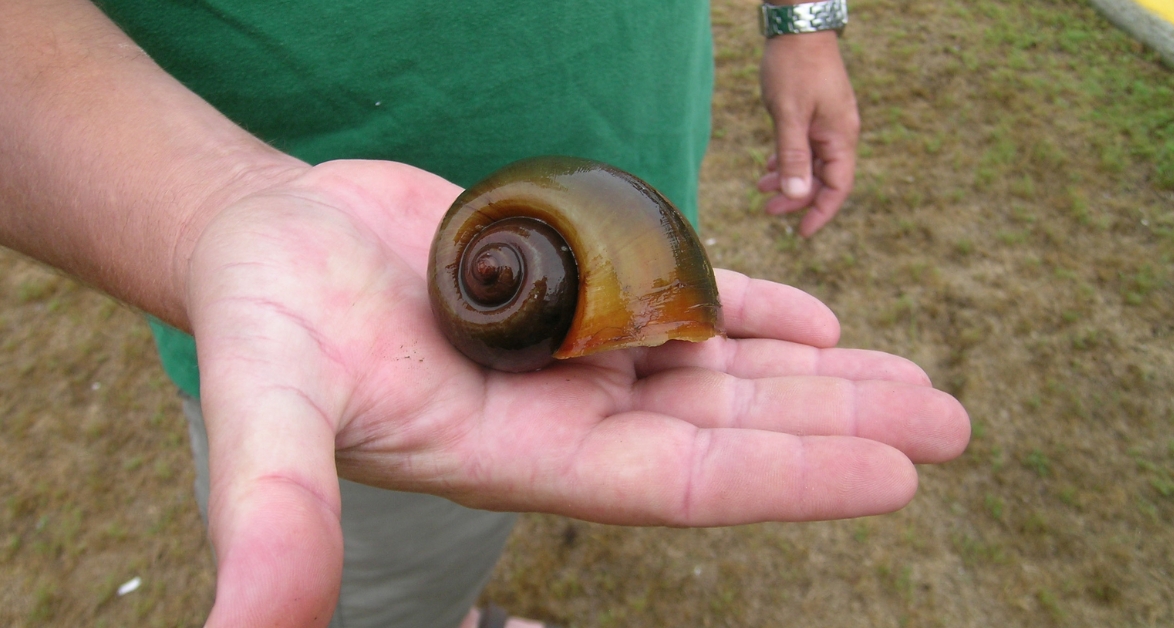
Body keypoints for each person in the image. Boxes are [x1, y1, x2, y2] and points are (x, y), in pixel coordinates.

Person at [0, 1, 970, 627]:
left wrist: (803, 19)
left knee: (453, 550)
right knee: (372, 584)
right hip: (351, 313)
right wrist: (213, 208)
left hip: (611, 195)